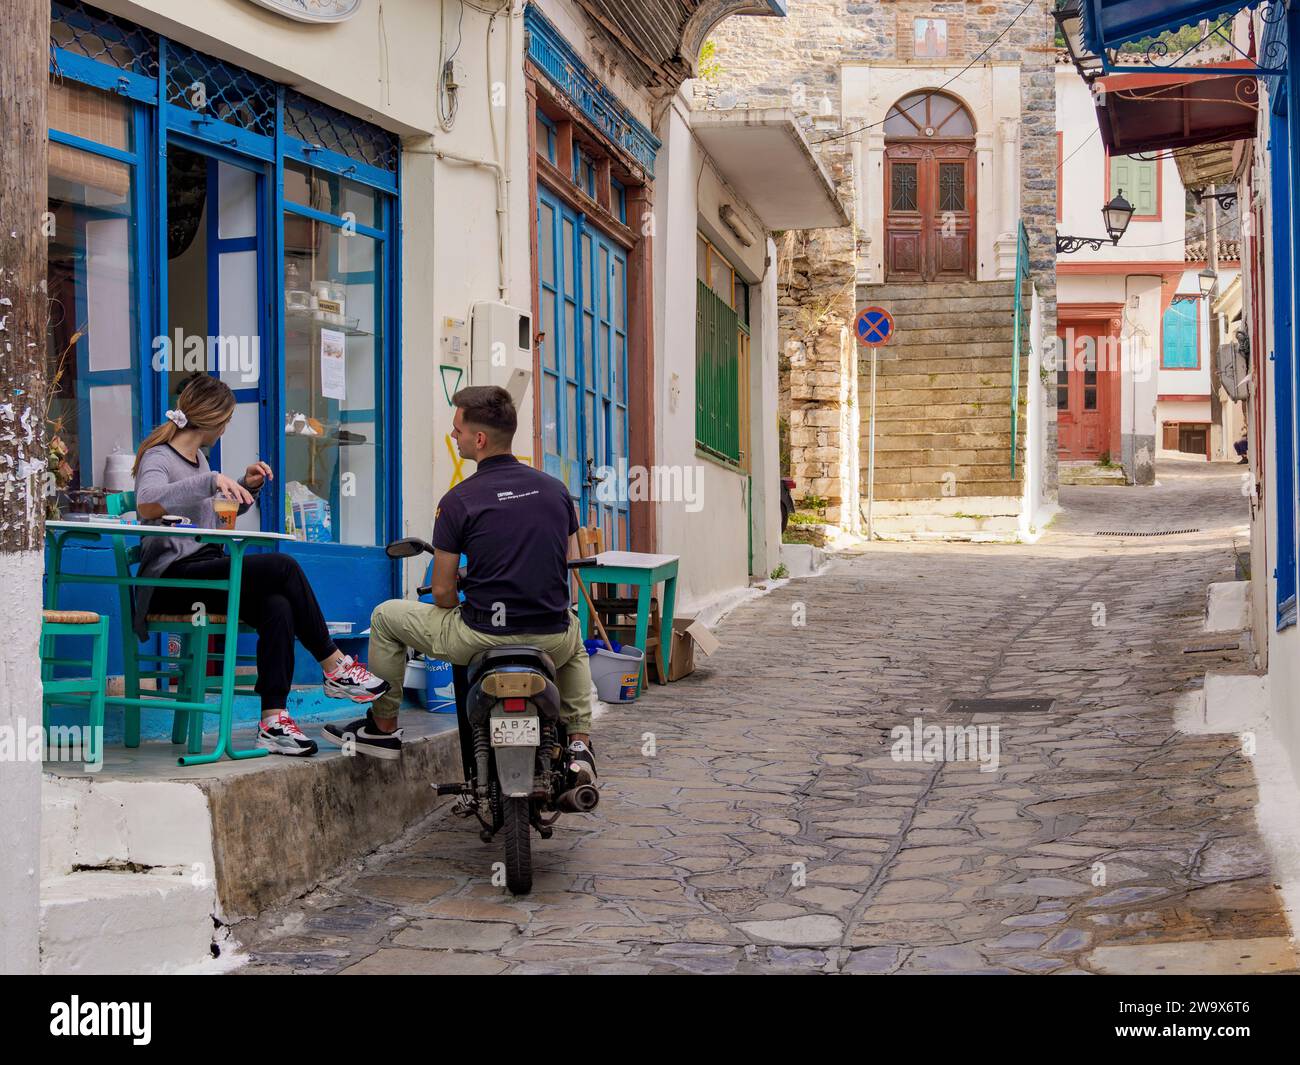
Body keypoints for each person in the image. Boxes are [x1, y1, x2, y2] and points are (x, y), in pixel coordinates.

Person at [323, 385, 597, 785]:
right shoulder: (556, 491)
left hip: (478, 636)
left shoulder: (458, 500)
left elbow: (443, 593)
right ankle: (578, 743)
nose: (454, 436)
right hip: (549, 635)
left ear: (480, 439)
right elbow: (571, 563)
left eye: (458, 430)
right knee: (574, 644)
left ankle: (382, 728)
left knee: (385, 616)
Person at [132, 374, 390, 756]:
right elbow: (147, 503)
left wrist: (243, 486)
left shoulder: (199, 459)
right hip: (172, 581)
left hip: (205, 569)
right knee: (282, 567)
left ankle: (273, 720)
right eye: (228, 421)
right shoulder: (160, 456)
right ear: (215, 420)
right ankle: (335, 665)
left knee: (278, 604)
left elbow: (205, 519)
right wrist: (211, 482)